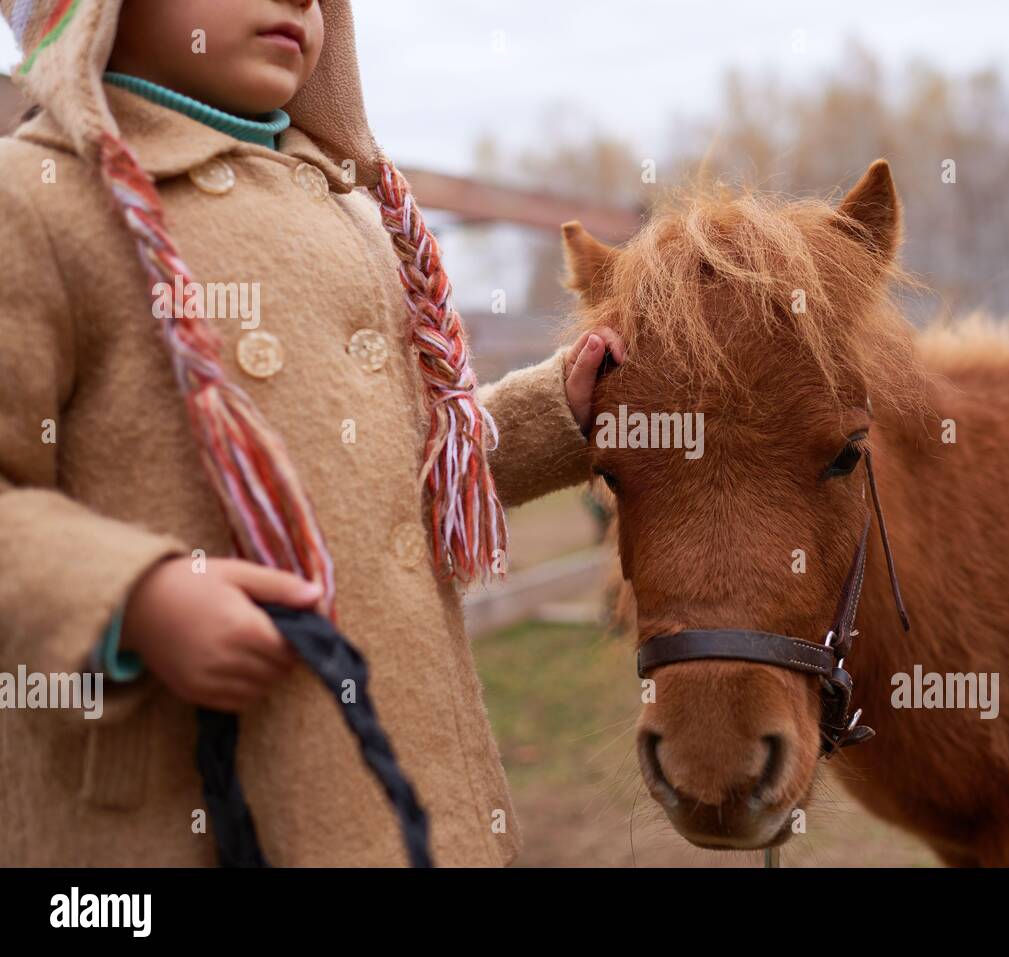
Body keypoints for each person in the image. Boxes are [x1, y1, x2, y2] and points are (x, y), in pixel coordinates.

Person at [0, 0, 622, 865]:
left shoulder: (351, 218)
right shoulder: (36, 204)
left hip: (410, 797)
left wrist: (557, 407)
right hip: (182, 816)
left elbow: (402, 481)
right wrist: (135, 599)